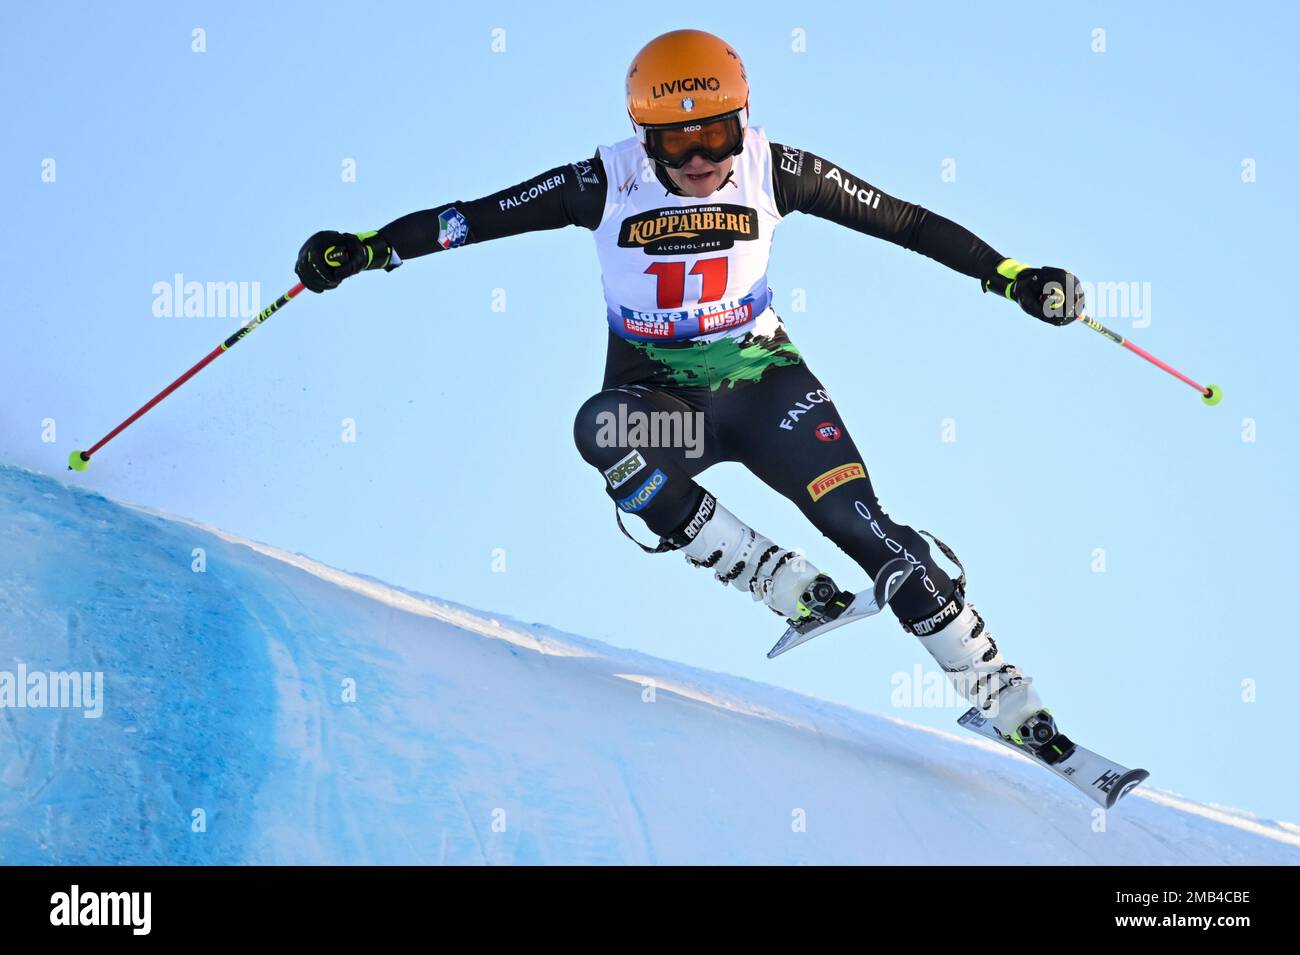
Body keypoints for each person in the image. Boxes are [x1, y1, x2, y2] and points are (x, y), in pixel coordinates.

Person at [293, 29, 1086, 751]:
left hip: (769, 391)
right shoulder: (603, 183)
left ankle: (1002, 693)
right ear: (645, 135)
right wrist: (369, 248)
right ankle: (781, 582)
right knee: (601, 431)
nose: (701, 157)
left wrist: (1011, 277)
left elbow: (906, 222)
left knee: (864, 525)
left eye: (717, 132)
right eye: (677, 139)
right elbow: (471, 219)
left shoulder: (778, 169)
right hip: (671, 413)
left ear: (744, 120)